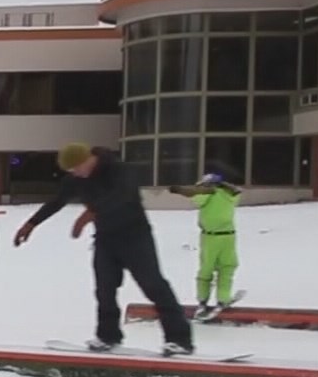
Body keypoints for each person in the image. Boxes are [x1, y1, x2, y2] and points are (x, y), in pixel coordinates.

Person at [13, 142, 193, 354]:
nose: (76, 174)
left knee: (153, 285)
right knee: (104, 290)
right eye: (71, 171)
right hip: (106, 240)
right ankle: (108, 336)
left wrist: (90, 214)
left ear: (89, 159)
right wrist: (31, 224)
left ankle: (179, 340)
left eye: (77, 168)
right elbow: (56, 201)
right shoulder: (76, 179)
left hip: (135, 237)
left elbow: (123, 195)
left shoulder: (119, 169)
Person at [170, 165, 242, 320]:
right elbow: (237, 192)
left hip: (210, 237)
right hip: (229, 236)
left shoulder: (204, 196)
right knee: (227, 267)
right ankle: (223, 298)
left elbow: (196, 197)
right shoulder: (229, 195)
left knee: (206, 270)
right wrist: (222, 185)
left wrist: (198, 187)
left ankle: (203, 300)